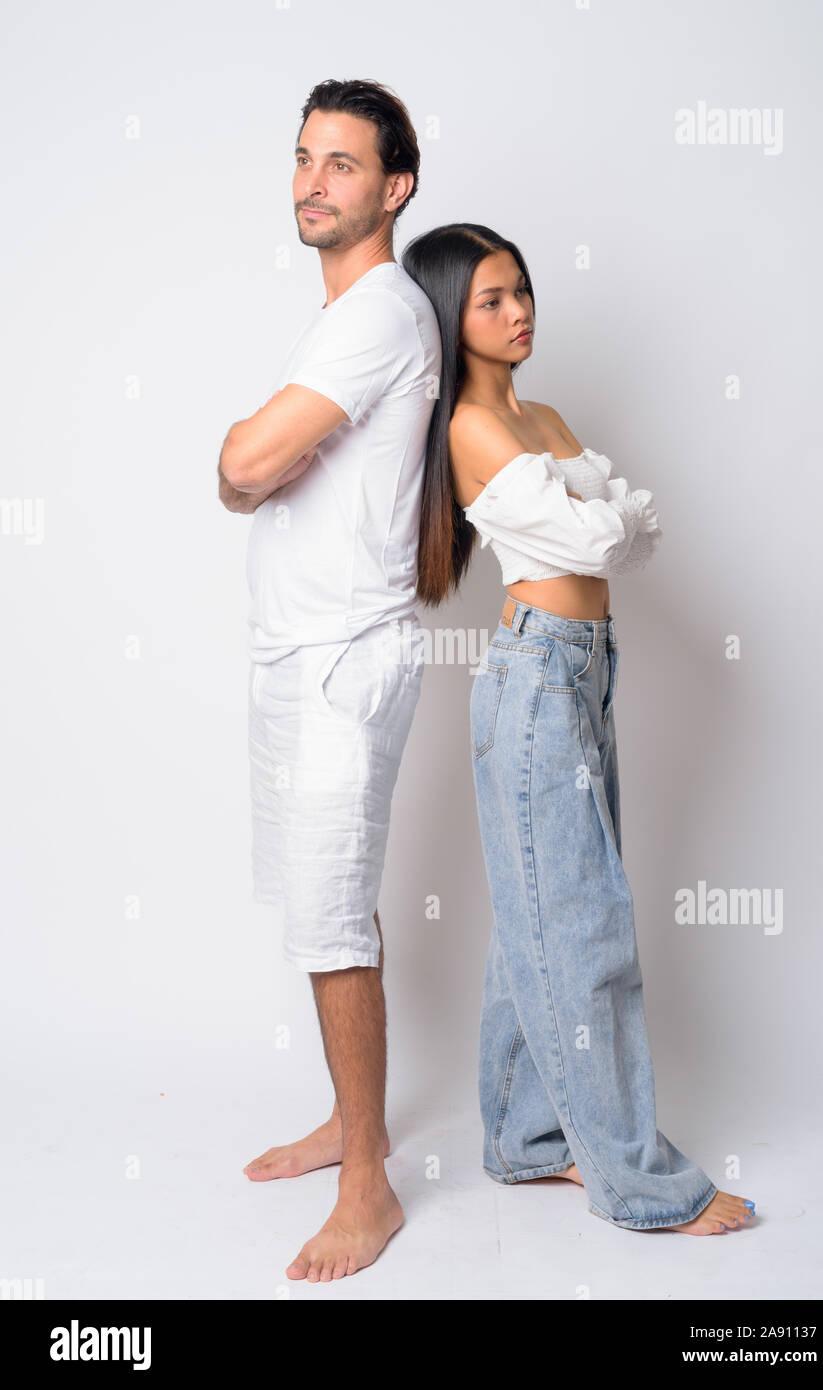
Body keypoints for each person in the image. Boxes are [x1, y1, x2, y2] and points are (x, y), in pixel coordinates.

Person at [400, 223, 757, 1235]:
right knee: (582, 926)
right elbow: (608, 531)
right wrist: (610, 516)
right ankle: (641, 1184)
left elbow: (637, 526)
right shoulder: (471, 424)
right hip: (536, 676)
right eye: (491, 300)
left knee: (539, 919)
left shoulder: (540, 413)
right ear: (449, 319)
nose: (519, 313)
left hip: (587, 672)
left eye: (522, 292)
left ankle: (526, 1139)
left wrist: (616, 520)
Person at [217, 79, 441, 1280]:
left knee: (332, 918)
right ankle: (352, 1127)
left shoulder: (379, 313)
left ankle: (370, 1185)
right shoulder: (340, 317)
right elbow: (244, 475)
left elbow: (244, 459)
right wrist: (248, 465)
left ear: (393, 187)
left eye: (341, 163)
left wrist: (248, 456)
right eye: (304, 157)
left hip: (343, 662)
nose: (312, 179)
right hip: (301, 656)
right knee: (323, 910)